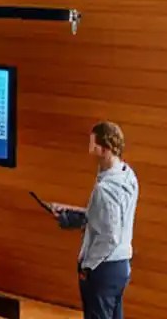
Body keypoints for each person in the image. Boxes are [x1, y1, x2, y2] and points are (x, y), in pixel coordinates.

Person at [49, 121, 139, 319]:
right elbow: (106, 217)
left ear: (105, 150)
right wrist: (69, 211)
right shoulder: (128, 176)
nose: (90, 151)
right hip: (121, 265)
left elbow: (110, 236)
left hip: (103, 269)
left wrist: (88, 265)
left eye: (94, 145)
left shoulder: (104, 190)